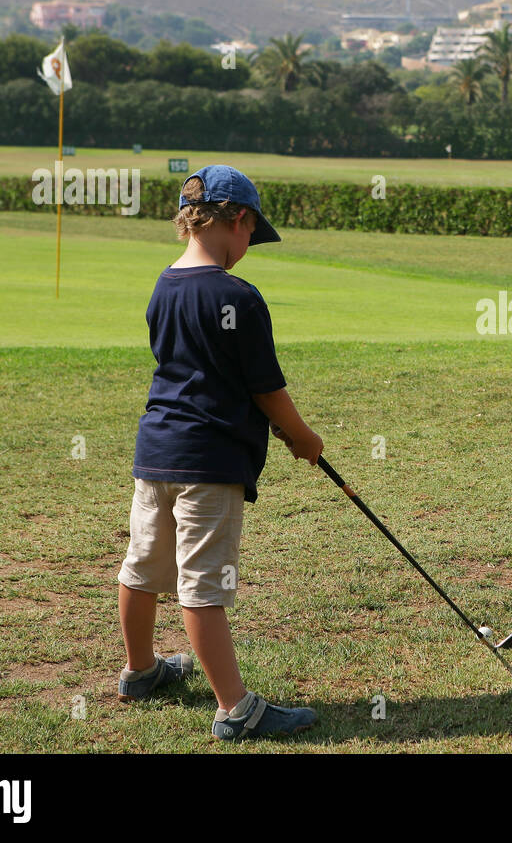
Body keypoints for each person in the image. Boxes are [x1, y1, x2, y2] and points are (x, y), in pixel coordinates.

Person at [115, 164, 326, 738]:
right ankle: (237, 710)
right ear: (239, 219)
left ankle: (140, 671)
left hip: (156, 452)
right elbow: (265, 389)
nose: (246, 250)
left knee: (141, 569)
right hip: (209, 463)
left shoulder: (163, 283)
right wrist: (303, 438)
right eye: (249, 238)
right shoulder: (240, 297)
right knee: (202, 586)